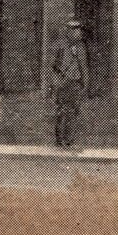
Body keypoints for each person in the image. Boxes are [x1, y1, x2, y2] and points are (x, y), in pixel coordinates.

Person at [51, 20, 88, 148]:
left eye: (78, 30)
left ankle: (69, 140)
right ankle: (59, 140)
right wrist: (57, 81)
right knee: (61, 112)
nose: (78, 33)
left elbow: (83, 66)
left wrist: (85, 83)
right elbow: (53, 65)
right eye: (74, 30)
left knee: (73, 112)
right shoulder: (60, 45)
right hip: (63, 83)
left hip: (75, 84)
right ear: (69, 32)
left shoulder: (81, 47)